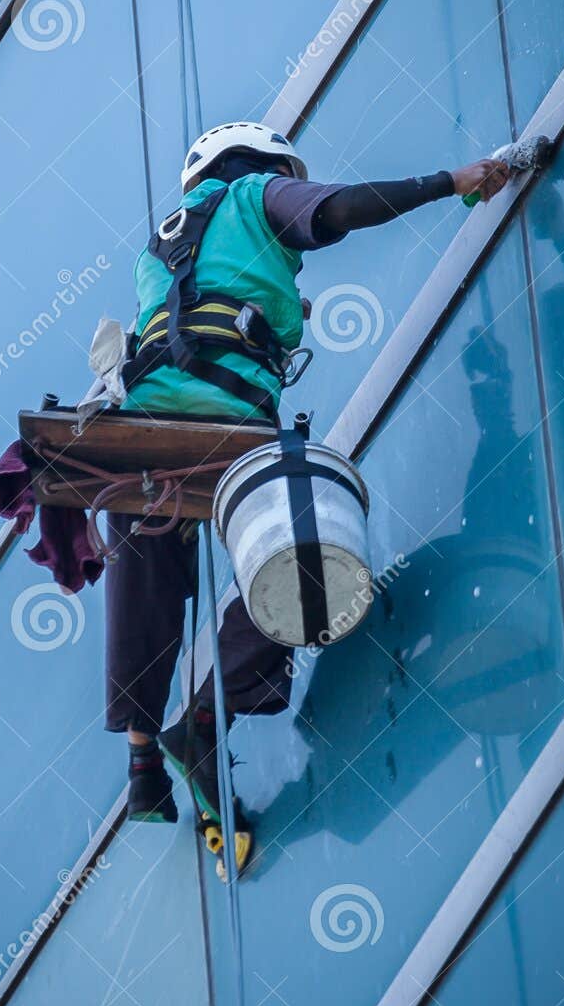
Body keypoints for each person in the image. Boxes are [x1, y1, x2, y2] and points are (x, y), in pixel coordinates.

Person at [105, 120, 509, 876]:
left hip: (143, 427)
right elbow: (338, 209)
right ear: (259, 161)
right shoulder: (253, 194)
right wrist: (448, 182)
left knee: (144, 572)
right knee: (302, 555)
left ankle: (141, 760)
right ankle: (206, 714)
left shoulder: (157, 249)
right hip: (227, 424)